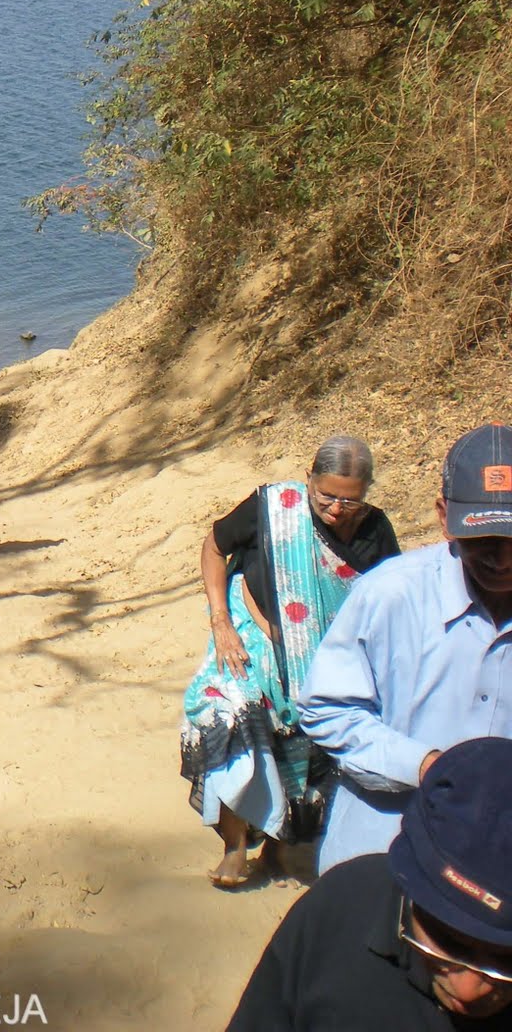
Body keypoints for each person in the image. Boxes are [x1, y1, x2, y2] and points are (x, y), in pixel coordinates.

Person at [180, 435, 401, 888]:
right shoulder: (273, 507)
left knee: (308, 752)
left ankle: (279, 850)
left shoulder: (376, 532)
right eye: (327, 496)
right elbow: (214, 546)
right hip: (249, 642)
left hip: (325, 663)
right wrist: (221, 622)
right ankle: (235, 844)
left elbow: (390, 600)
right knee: (226, 719)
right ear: (309, 478)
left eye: (351, 501)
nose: (338, 509)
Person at [299, 422, 512, 874]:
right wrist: (423, 766)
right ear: (444, 517)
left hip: (496, 876)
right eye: (486, 540)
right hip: (382, 860)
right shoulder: (389, 595)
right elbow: (327, 709)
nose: (502, 559)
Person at [227, 736, 512, 1029]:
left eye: (506, 960)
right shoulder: (339, 907)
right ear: (410, 894)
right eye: (447, 941)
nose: (468, 989)